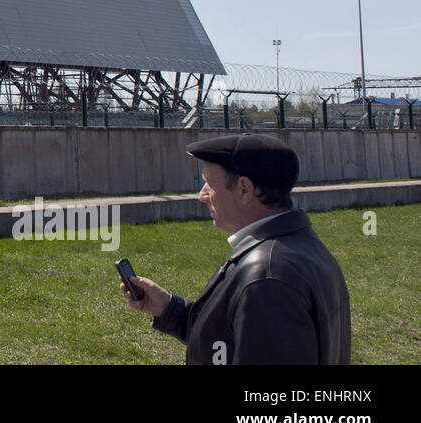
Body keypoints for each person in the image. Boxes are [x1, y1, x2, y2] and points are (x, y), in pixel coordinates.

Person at [121, 132, 351, 364]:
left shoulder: (267, 278)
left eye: (209, 183)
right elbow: (231, 342)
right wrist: (170, 309)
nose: (202, 196)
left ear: (244, 189)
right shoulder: (299, 245)